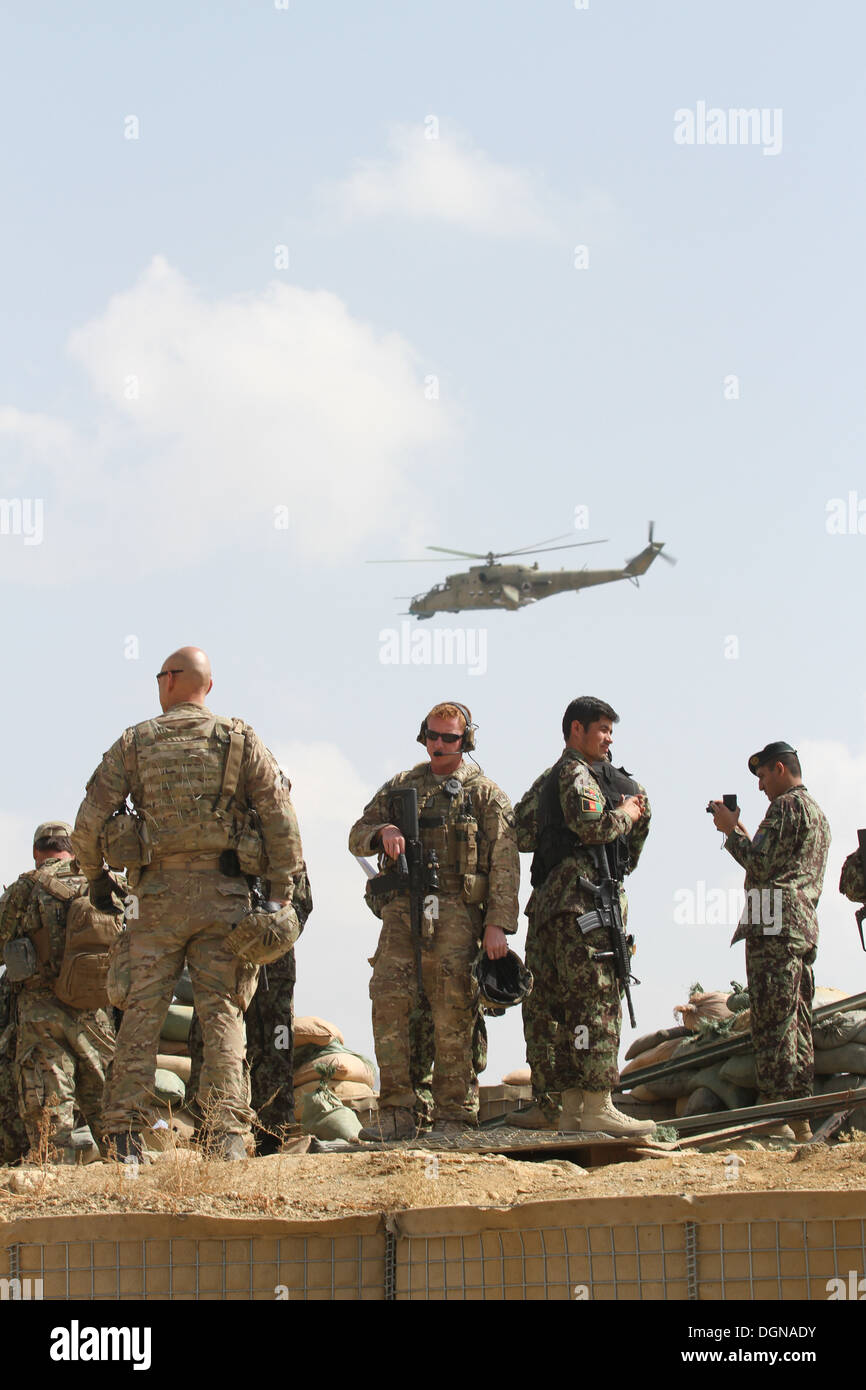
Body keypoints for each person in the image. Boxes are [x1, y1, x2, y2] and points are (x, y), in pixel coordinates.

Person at [71, 646, 305, 1161]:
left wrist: (95, 876)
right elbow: (281, 820)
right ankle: (225, 1137)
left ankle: (124, 1137)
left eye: (159, 676)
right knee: (222, 1013)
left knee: (140, 1013)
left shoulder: (135, 743)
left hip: (152, 900)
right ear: (208, 687)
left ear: (172, 680)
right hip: (225, 899)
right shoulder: (241, 740)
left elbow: (89, 819)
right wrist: (280, 896)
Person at [348, 702, 519, 1139]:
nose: (439, 745)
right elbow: (356, 835)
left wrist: (497, 924)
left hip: (457, 914)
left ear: (466, 742)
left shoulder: (483, 794)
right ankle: (397, 1111)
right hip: (403, 911)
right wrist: (381, 833)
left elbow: (504, 862)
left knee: (454, 1009)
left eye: (450, 738)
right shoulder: (401, 786)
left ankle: (453, 1116)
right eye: (433, 736)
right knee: (389, 1002)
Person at [528, 696, 655, 1137]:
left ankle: (572, 1109)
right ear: (575, 730)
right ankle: (599, 1103)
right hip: (585, 904)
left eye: (610, 730)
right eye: (601, 729)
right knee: (596, 1002)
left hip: (551, 905)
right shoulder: (579, 774)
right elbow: (598, 829)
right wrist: (627, 813)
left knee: (564, 1008)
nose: (609, 737)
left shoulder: (549, 780)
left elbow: (522, 830)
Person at [710, 740, 830, 1142]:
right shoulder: (817, 815)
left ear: (779, 769)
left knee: (772, 1021)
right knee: (796, 1021)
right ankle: (798, 1113)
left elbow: (760, 863)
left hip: (773, 924)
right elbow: (778, 860)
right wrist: (742, 829)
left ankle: (775, 1117)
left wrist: (729, 832)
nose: (760, 786)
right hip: (800, 925)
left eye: (762, 776)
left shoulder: (785, 807)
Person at [0, 821, 115, 1162]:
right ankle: (126, 1170)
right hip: (94, 1009)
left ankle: (55, 1177)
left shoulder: (25, 888)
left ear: (38, 852)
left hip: (40, 1012)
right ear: (73, 848)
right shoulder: (103, 883)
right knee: (107, 1100)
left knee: (50, 1108)